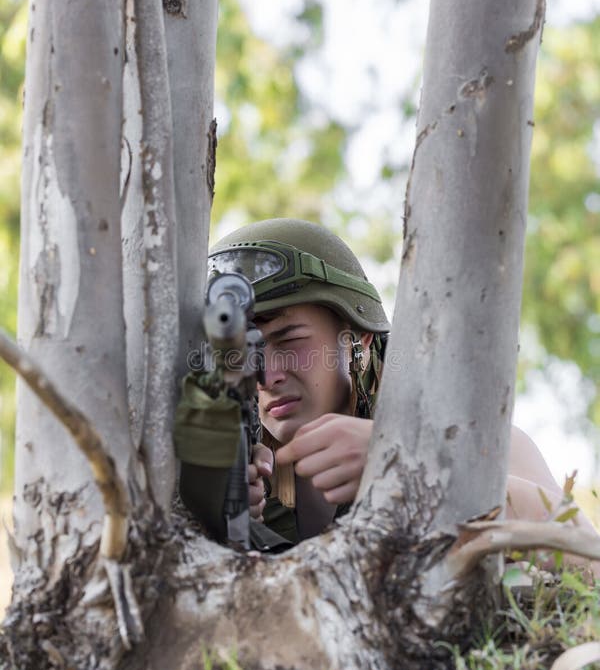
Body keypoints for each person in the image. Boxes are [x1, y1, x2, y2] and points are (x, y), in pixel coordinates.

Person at [175, 218, 592, 558]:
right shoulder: (246, 476)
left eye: (289, 341)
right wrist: (219, 522)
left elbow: (583, 552)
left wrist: (401, 465)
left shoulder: (449, 439)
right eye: (249, 355)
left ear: (358, 339)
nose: (269, 376)